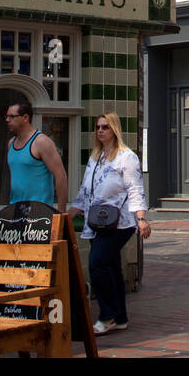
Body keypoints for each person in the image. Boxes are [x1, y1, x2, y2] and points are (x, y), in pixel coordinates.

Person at [69, 113, 150, 335]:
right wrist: (72, 210)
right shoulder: (96, 157)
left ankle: (107, 316)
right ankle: (120, 316)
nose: (100, 131)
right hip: (96, 222)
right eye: (97, 127)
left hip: (119, 223)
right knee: (111, 267)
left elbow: (135, 189)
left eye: (105, 127)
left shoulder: (126, 157)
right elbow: (86, 189)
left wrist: (141, 218)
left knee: (97, 264)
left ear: (115, 129)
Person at [5, 100, 67, 210]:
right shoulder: (11, 143)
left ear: (25, 118)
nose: (7, 120)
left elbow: (61, 176)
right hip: (15, 210)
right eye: (7, 116)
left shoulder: (41, 142)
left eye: (12, 117)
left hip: (39, 212)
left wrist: (61, 213)